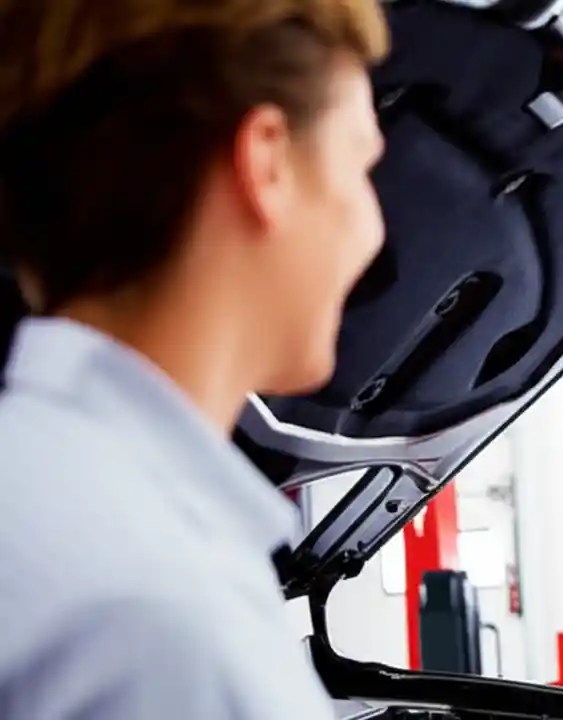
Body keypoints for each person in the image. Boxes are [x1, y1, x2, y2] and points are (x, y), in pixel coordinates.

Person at [0, 1, 388, 717]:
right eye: (362, 164)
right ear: (268, 163)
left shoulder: (35, 485)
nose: (374, 228)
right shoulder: (161, 615)